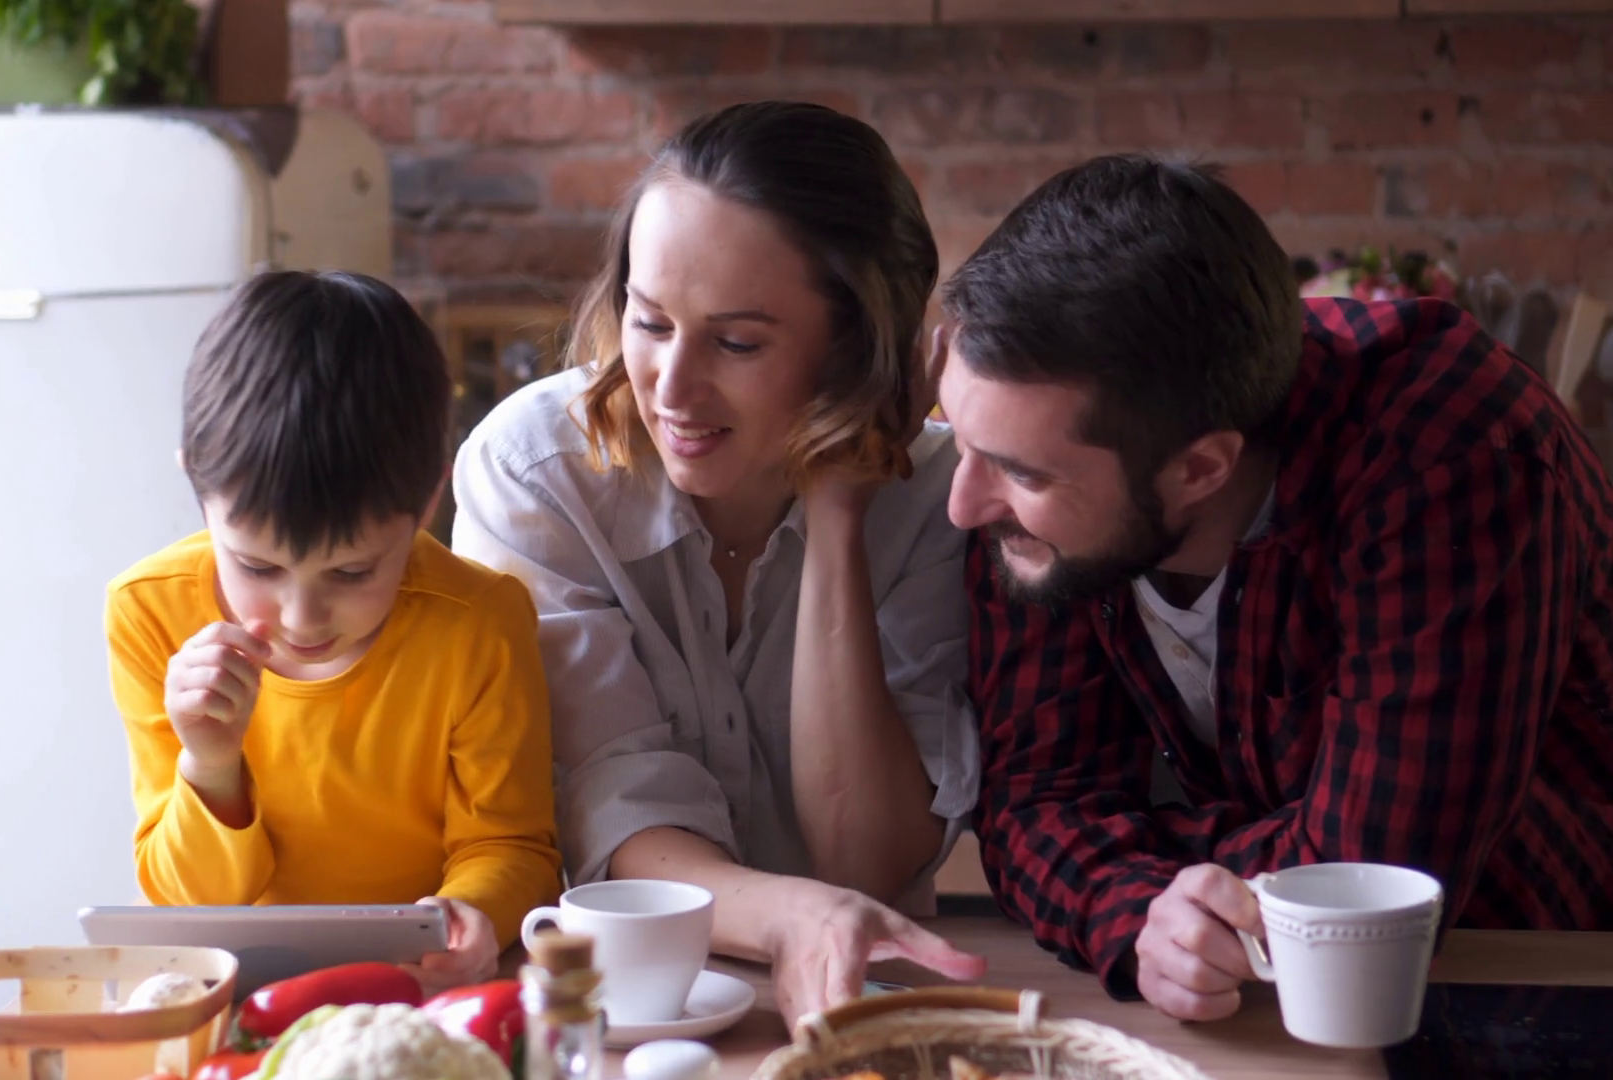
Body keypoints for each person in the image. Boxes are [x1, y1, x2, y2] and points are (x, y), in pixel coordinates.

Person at [936, 154, 1613, 1021]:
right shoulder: (1052, 483)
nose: (962, 506)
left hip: (1544, 984)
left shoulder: (1457, 452)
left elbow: (1373, 886)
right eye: (958, 439)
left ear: (1201, 469)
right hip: (1270, 1009)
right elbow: (1034, 806)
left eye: (1016, 472)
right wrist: (1147, 912)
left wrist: (1150, 852)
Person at [450, 101, 985, 1024]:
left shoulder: (942, 500)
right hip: (629, 1002)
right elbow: (612, 804)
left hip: (864, 1001)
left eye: (738, 342)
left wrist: (838, 514)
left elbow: (869, 857)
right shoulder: (536, 474)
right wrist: (793, 915)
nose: (672, 385)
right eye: (650, 322)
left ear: (856, 348)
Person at [106, 270, 562, 992]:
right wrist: (212, 765)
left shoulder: (480, 624)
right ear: (196, 486)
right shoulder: (150, 612)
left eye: (351, 574)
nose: (300, 617)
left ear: (424, 504)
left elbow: (512, 844)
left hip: (416, 988)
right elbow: (183, 906)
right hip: (232, 1000)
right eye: (257, 566)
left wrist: (471, 910)